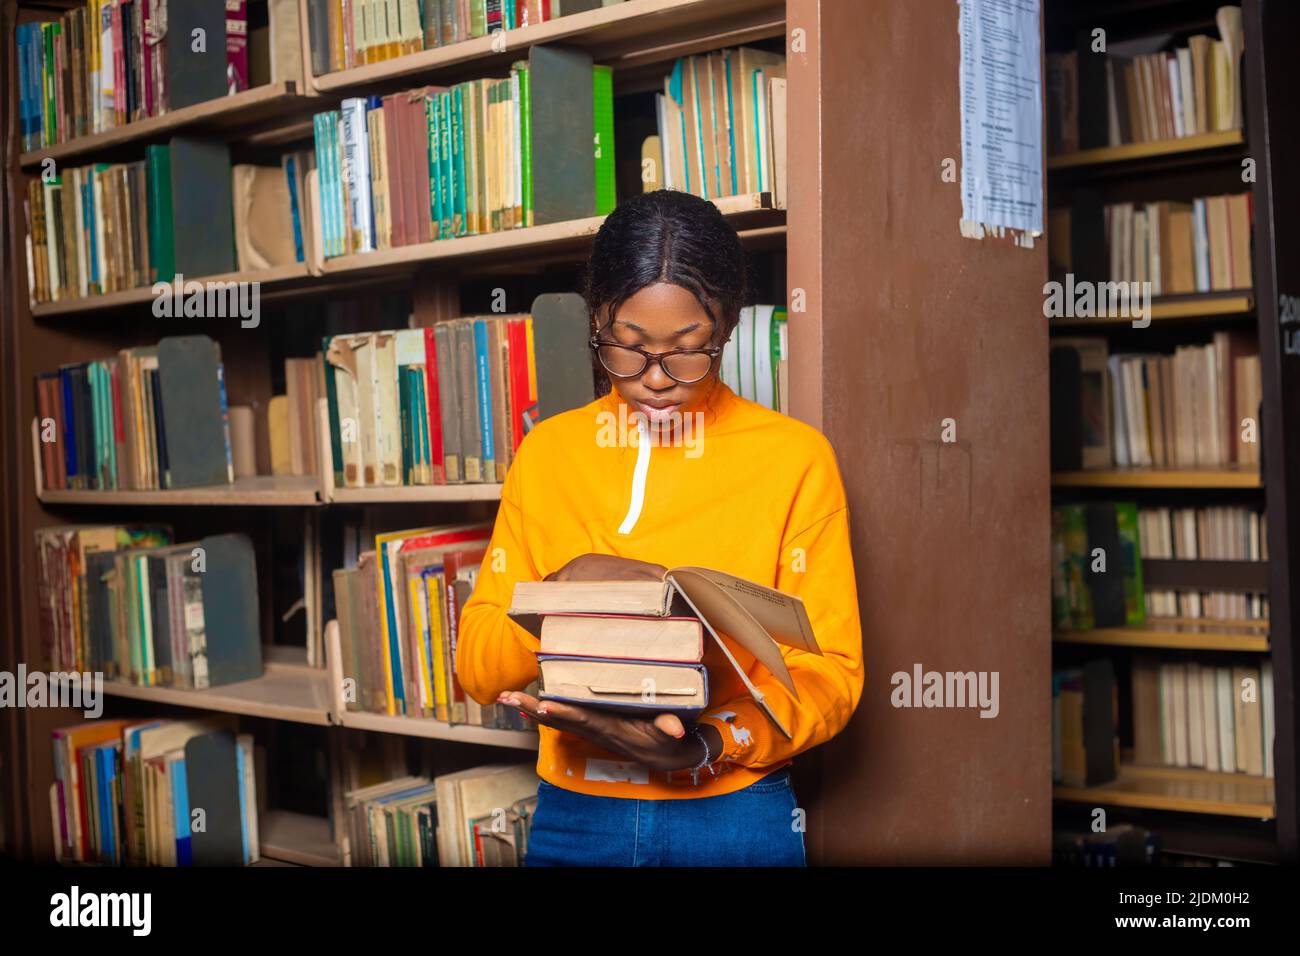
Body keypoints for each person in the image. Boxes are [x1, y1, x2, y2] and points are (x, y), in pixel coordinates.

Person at [455, 189, 863, 867]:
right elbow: (478, 667)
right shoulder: (549, 453)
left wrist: (711, 743)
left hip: (734, 813)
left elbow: (833, 673)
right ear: (598, 324)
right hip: (575, 814)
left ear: (725, 328)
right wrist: (560, 592)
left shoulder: (795, 458)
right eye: (627, 348)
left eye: (687, 351)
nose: (655, 381)